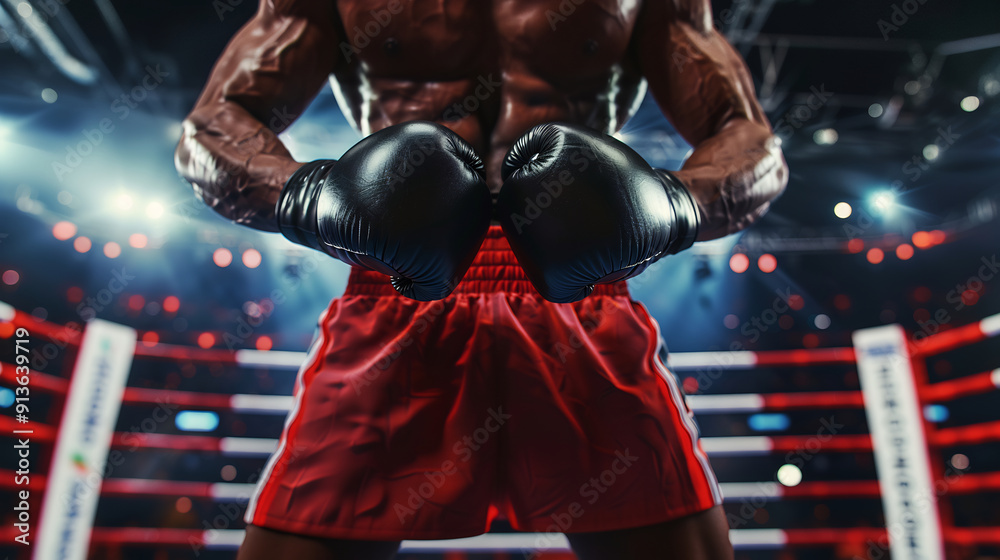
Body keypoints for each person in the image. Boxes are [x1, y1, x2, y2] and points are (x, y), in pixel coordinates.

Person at [175, 1, 788, 558]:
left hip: (574, 282)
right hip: (402, 273)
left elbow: (751, 141)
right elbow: (211, 127)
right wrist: (310, 198)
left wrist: (674, 204)